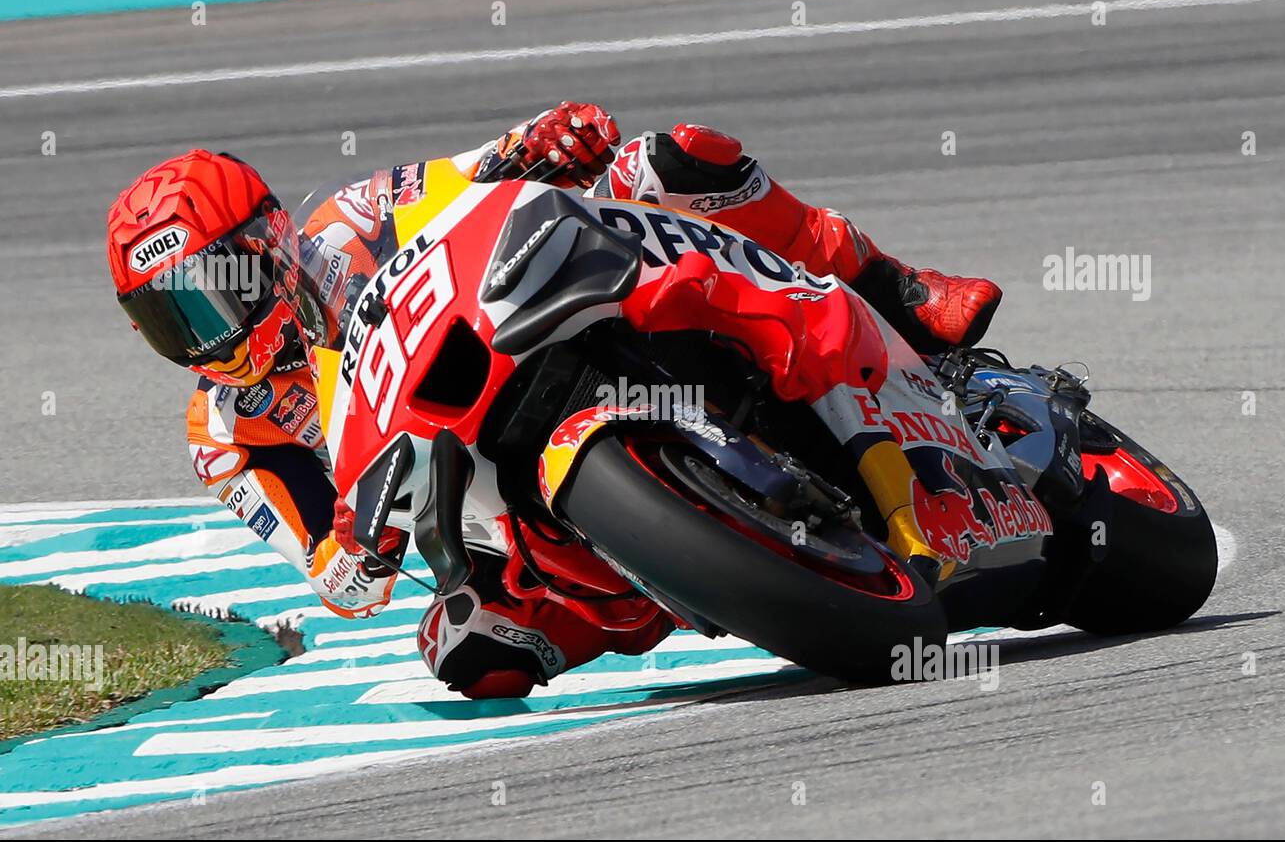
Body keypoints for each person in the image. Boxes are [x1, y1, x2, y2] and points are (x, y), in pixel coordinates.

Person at [106, 101, 1000, 698]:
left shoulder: (349, 221)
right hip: (478, 495)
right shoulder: (221, 433)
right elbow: (334, 579)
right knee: (463, 649)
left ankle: (897, 293)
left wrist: (542, 141)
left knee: (669, 160)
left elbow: (481, 172)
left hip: (540, 341)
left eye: (209, 295)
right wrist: (360, 550)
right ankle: (663, 572)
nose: (205, 338)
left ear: (265, 243)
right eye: (172, 321)